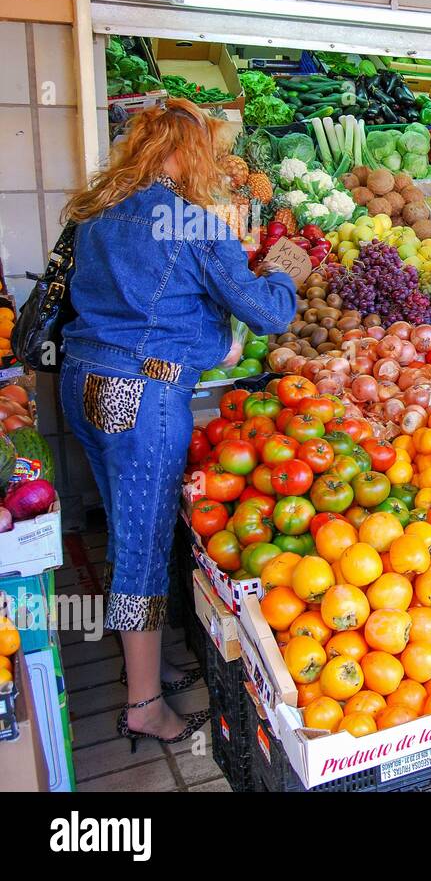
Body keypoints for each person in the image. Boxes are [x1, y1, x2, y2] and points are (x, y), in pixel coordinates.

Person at [59, 100, 297, 750]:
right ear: (189, 156)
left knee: (126, 528)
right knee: (141, 547)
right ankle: (144, 706)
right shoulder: (195, 226)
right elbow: (264, 312)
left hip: (81, 383)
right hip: (142, 393)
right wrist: (286, 272)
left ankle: (151, 664)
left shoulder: (95, 217)